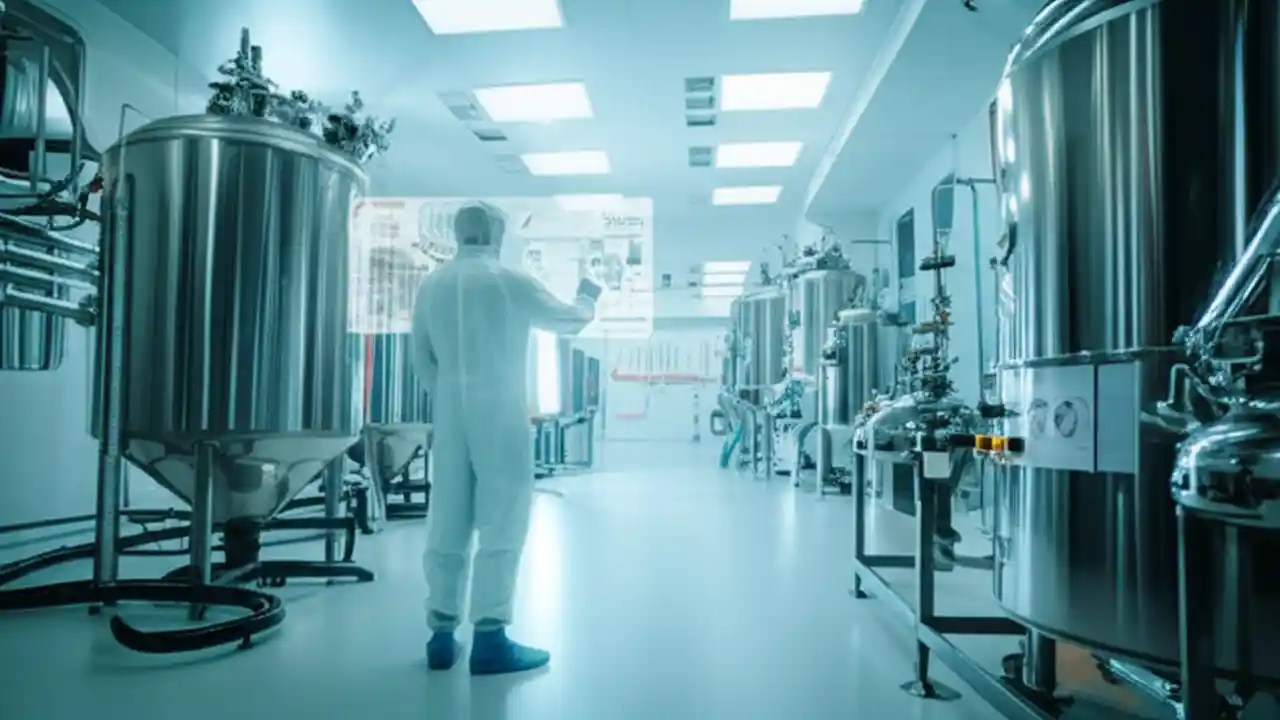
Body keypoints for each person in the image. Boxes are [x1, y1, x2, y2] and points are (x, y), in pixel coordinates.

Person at [410, 201, 596, 675]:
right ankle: (490, 639)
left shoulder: (431, 285)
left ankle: (441, 636)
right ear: (498, 232)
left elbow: (421, 359)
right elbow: (569, 320)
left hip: (449, 410)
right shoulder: (507, 279)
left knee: (447, 514)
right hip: (500, 410)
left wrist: (451, 395)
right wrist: (589, 295)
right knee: (504, 515)